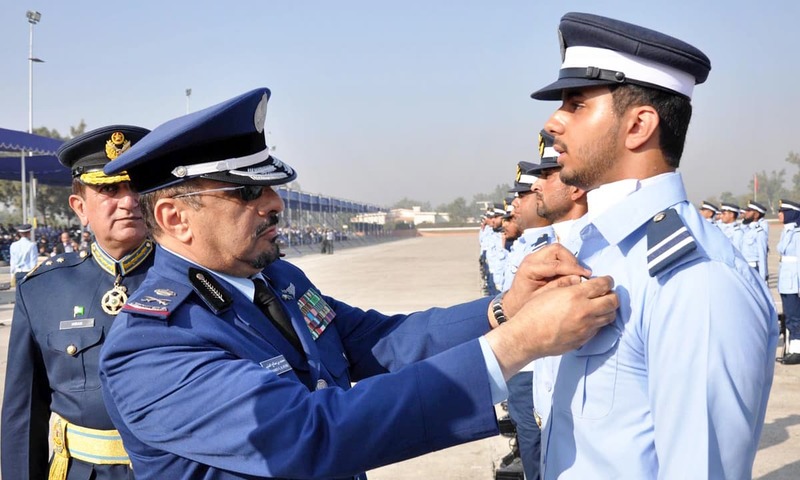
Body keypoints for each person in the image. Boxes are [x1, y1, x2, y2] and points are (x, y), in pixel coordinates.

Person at [96, 87, 618, 480]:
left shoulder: (277, 281)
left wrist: (505, 309)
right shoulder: (152, 344)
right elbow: (310, 433)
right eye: (246, 192)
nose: (275, 204)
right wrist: (516, 346)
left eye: (273, 188)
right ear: (174, 216)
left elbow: (377, 341)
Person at [530, 12, 777, 478]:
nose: (552, 122)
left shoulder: (694, 279)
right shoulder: (601, 250)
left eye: (576, 104)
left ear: (639, 126)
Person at [1, 125, 154, 480]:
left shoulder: (191, 280)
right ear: (80, 207)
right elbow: (23, 414)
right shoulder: (42, 289)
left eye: (137, 187)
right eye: (110, 189)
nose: (128, 201)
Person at [777, 199, 800, 365]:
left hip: (794, 281)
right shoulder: (787, 231)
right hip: (785, 281)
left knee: (795, 318)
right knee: (789, 317)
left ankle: (797, 351)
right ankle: (791, 350)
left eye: (783, 211)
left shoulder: (797, 233)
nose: (779, 214)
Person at [741, 200, 769, 281]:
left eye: (749, 211)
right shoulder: (747, 229)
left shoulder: (759, 232)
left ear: (756, 214)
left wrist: (763, 277)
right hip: (746, 267)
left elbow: (762, 256)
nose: (745, 212)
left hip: (754, 268)